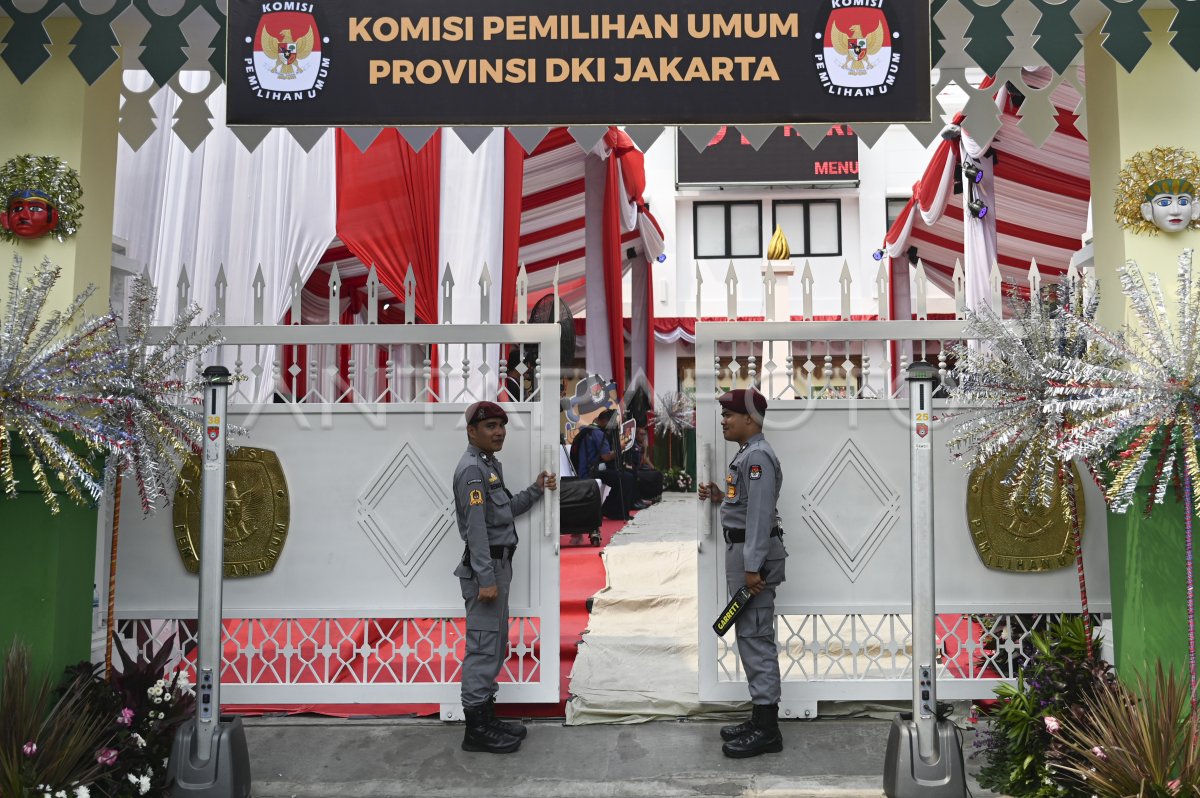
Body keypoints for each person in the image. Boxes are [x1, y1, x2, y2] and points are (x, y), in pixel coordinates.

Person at [453, 400, 557, 753]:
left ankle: (486, 715)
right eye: (489, 426)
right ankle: (476, 730)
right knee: (482, 647)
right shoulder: (471, 470)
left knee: (493, 644)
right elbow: (476, 528)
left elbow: (502, 511)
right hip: (486, 569)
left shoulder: (488, 466)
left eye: (501, 425)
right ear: (471, 431)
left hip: (498, 566)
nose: (498, 432)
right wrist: (485, 577)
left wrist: (536, 490)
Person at [698, 388, 787, 758]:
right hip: (744, 557)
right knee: (749, 637)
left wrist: (752, 568)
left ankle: (767, 730)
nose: (723, 420)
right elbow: (747, 504)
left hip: (753, 562)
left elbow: (760, 516)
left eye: (729, 414)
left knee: (756, 637)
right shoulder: (749, 456)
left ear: (749, 419)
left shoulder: (758, 459)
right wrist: (723, 497)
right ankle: (759, 718)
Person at [570, 408, 648, 519]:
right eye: (611, 422)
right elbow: (606, 457)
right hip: (593, 471)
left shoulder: (587, 430)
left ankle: (610, 509)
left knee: (626, 476)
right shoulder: (597, 433)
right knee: (626, 478)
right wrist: (620, 448)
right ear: (603, 421)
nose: (612, 425)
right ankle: (614, 511)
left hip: (586, 469)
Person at [625, 425, 663, 504]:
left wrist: (653, 468)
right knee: (651, 476)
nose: (643, 436)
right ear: (636, 435)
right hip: (634, 469)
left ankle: (656, 495)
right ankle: (646, 497)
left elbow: (645, 459)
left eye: (644, 434)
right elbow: (639, 460)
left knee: (658, 474)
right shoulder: (632, 445)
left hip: (641, 467)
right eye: (641, 434)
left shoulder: (641, 445)